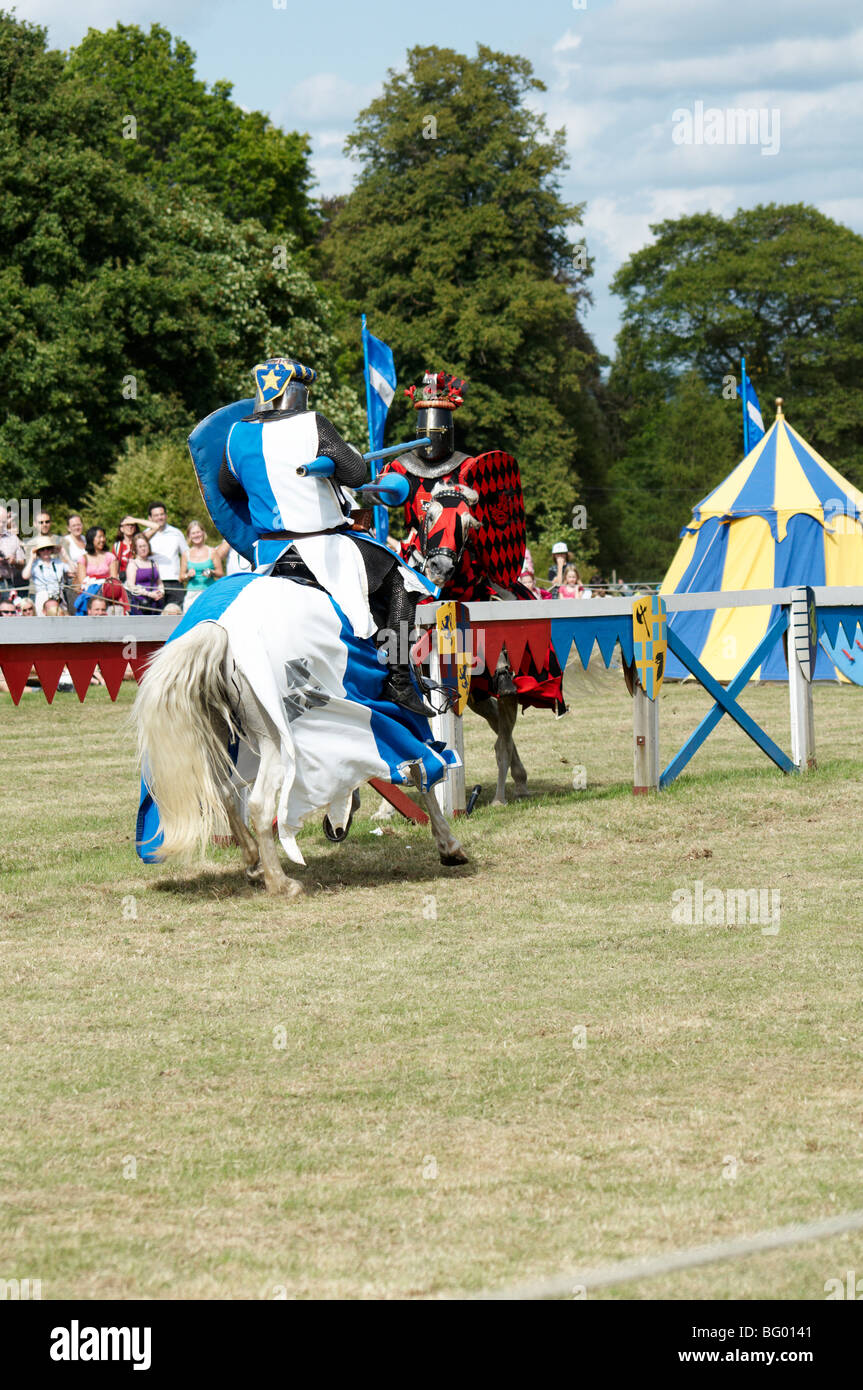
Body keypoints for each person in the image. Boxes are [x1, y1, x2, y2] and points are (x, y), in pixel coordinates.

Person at [216, 355, 434, 714]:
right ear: (296, 392)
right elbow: (357, 476)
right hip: (321, 547)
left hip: (267, 554)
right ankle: (399, 680)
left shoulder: (237, 433)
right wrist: (344, 458)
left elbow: (227, 485)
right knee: (401, 581)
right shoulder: (311, 423)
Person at [142, 502, 186, 609]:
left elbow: (185, 554)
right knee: (155, 617)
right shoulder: (145, 535)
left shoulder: (176, 532)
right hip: (153, 583)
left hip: (174, 581)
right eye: (156, 515)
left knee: (176, 614)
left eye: (161, 514)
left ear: (166, 515)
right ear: (150, 518)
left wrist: (182, 574)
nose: (159, 518)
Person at [180, 520, 223, 610]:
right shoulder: (186, 554)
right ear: (189, 536)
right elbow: (181, 578)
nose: (196, 535)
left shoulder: (212, 552)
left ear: (203, 533)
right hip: (192, 593)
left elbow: (220, 573)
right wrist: (188, 575)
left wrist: (211, 572)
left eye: (198, 532)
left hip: (209, 591)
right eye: (193, 533)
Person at [22, 539, 71, 614]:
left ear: (51, 550)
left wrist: (65, 555)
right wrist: (31, 559)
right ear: (38, 552)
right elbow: (25, 576)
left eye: (48, 549)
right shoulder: (35, 564)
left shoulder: (58, 562)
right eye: (42, 549)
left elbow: (73, 571)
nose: (45, 551)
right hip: (42, 594)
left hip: (58, 594)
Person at [125, 533, 165, 614]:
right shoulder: (132, 564)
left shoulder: (154, 563)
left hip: (156, 603)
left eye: (145, 546)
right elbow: (131, 586)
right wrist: (149, 594)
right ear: (135, 548)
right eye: (140, 546)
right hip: (141, 604)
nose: (143, 549)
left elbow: (159, 583)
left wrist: (161, 592)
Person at [0, 506, 26, 594]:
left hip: (9, 584)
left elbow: (22, 564)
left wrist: (14, 561)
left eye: (3, 522)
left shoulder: (13, 538)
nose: (0, 525)